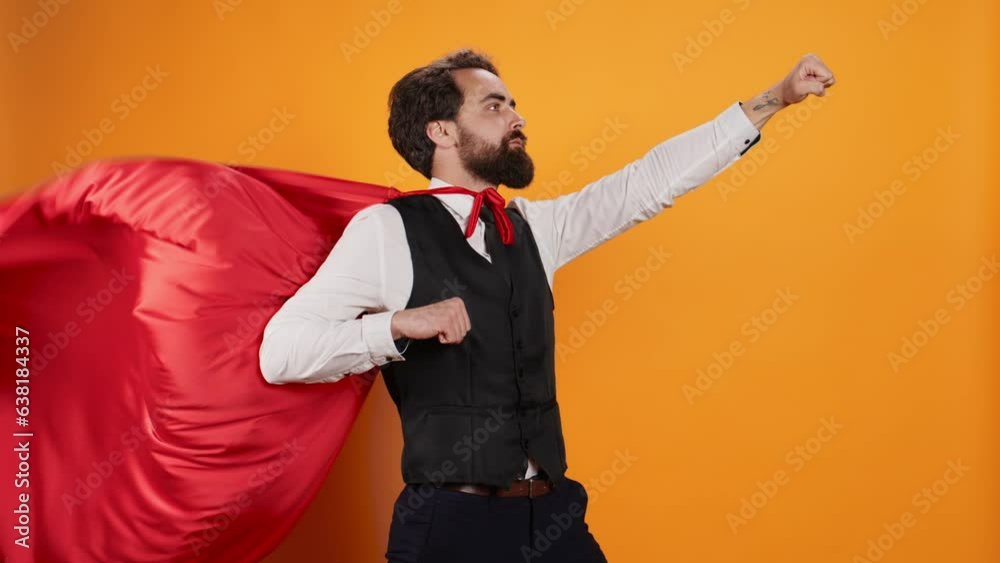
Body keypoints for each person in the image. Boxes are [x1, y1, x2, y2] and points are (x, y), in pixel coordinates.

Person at [258, 49, 835, 562]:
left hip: (551, 515)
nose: (517, 118)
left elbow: (648, 183)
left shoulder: (535, 227)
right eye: (494, 106)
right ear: (441, 131)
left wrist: (775, 99)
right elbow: (281, 353)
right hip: (450, 526)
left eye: (513, 104)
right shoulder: (386, 230)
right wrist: (398, 324)